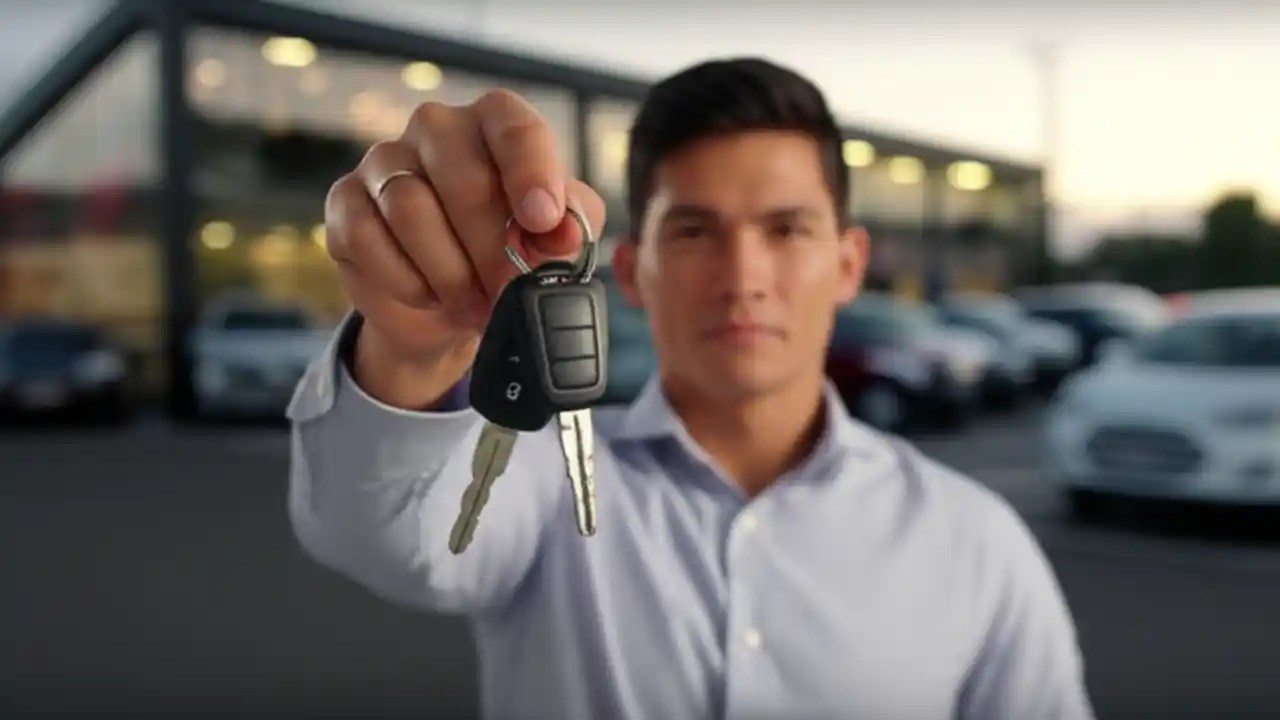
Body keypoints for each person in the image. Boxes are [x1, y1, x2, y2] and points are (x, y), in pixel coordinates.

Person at [287, 57, 1094, 719]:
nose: (743, 277)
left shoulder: (976, 544)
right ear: (634, 271)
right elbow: (382, 534)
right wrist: (411, 348)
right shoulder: (540, 481)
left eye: (786, 229)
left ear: (848, 265)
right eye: (695, 231)